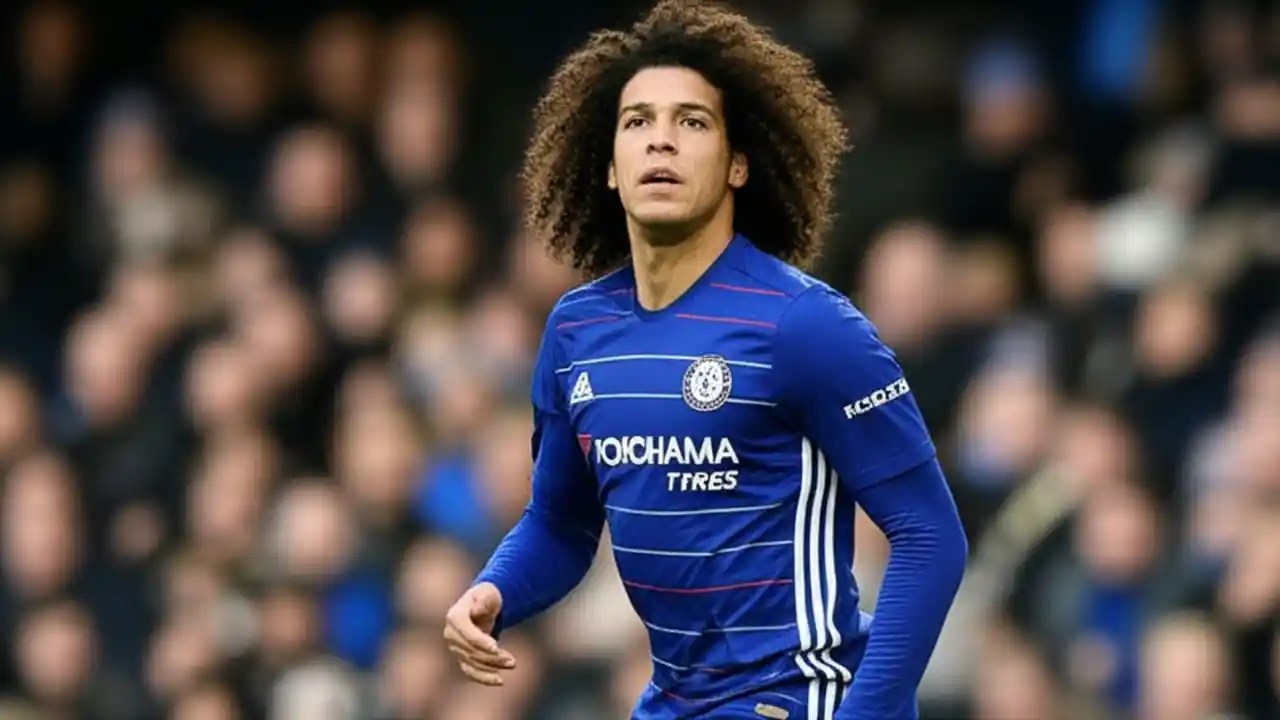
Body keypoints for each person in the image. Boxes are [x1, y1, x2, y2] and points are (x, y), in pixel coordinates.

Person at [442, 2, 968, 718]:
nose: (661, 139)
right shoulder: (576, 331)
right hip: (673, 701)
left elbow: (930, 537)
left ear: (738, 164)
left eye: (691, 122)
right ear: (608, 167)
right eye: (638, 122)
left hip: (798, 698)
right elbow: (561, 523)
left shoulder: (803, 325)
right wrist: (496, 588)